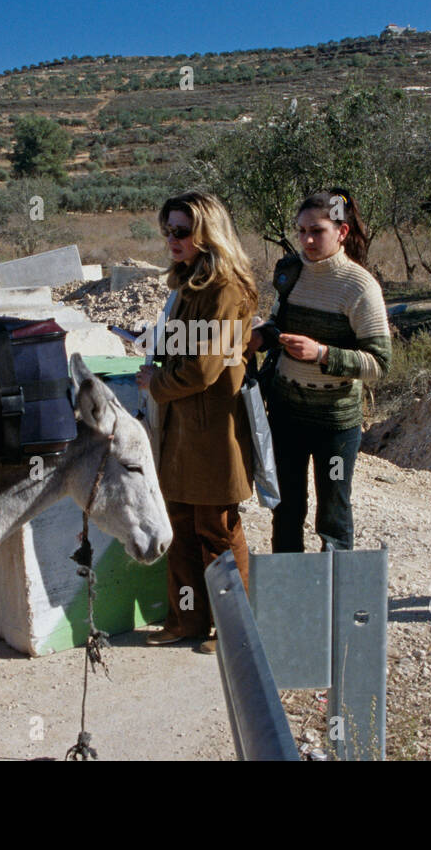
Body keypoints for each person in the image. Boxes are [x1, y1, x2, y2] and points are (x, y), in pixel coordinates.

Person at [136, 192, 257, 655]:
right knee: (182, 526)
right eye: (167, 229)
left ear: (208, 232)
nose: (172, 239)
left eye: (182, 231)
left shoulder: (226, 289)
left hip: (214, 430)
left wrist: (157, 382)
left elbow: (206, 368)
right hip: (182, 427)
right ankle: (187, 620)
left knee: (218, 529)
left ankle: (234, 630)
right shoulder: (189, 284)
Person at [255, 189, 391, 553]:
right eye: (301, 231)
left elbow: (379, 364)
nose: (307, 240)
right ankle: (290, 601)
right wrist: (259, 338)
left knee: (332, 515)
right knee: (286, 509)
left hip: (334, 426)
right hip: (285, 418)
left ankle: (334, 600)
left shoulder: (360, 287)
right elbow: (275, 323)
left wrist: (322, 354)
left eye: (317, 231)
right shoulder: (290, 272)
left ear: (342, 232)